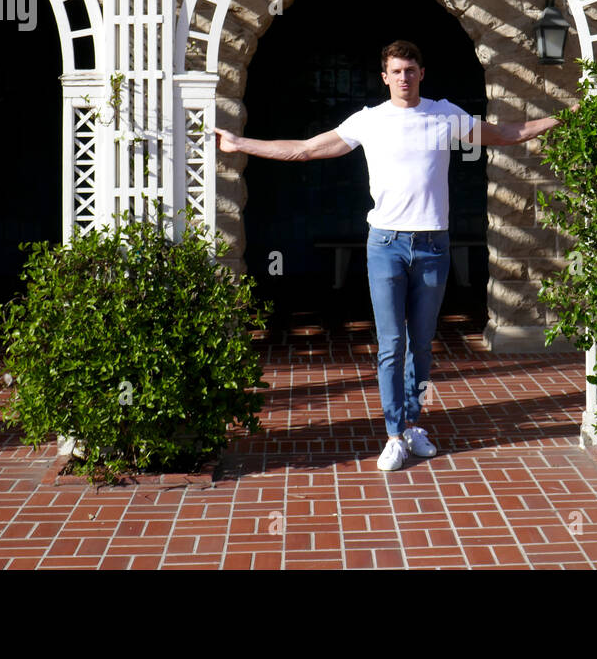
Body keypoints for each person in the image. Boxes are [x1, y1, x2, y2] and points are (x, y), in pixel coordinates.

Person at [213, 39, 569, 471]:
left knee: (421, 343)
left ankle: (413, 423)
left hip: (434, 245)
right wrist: (238, 143)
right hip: (386, 245)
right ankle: (394, 434)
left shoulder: (445, 115)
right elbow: (304, 149)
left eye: (411, 70)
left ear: (422, 73)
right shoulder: (370, 121)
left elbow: (507, 135)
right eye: (396, 71)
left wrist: (563, 116)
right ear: (385, 77)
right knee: (391, 343)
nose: (404, 77)